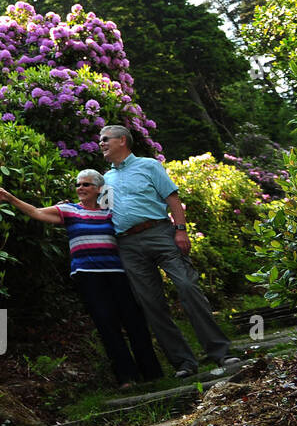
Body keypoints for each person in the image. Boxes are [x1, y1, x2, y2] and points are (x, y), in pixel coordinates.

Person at [0, 170, 163, 388]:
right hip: (88, 277)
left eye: (86, 185)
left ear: (99, 189)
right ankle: (127, 377)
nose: (80, 188)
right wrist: (10, 198)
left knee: (134, 322)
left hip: (118, 275)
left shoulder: (112, 212)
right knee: (106, 325)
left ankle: (152, 373)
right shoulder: (68, 210)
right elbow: (36, 212)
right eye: (78, 184)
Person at [98, 124, 240, 378]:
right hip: (127, 244)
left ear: (122, 140)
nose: (101, 143)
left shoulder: (149, 166)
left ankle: (221, 352)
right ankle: (183, 362)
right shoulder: (105, 179)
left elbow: (172, 199)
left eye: (105, 139)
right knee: (151, 304)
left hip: (160, 233)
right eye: (100, 140)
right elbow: (102, 212)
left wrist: (181, 230)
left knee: (187, 286)